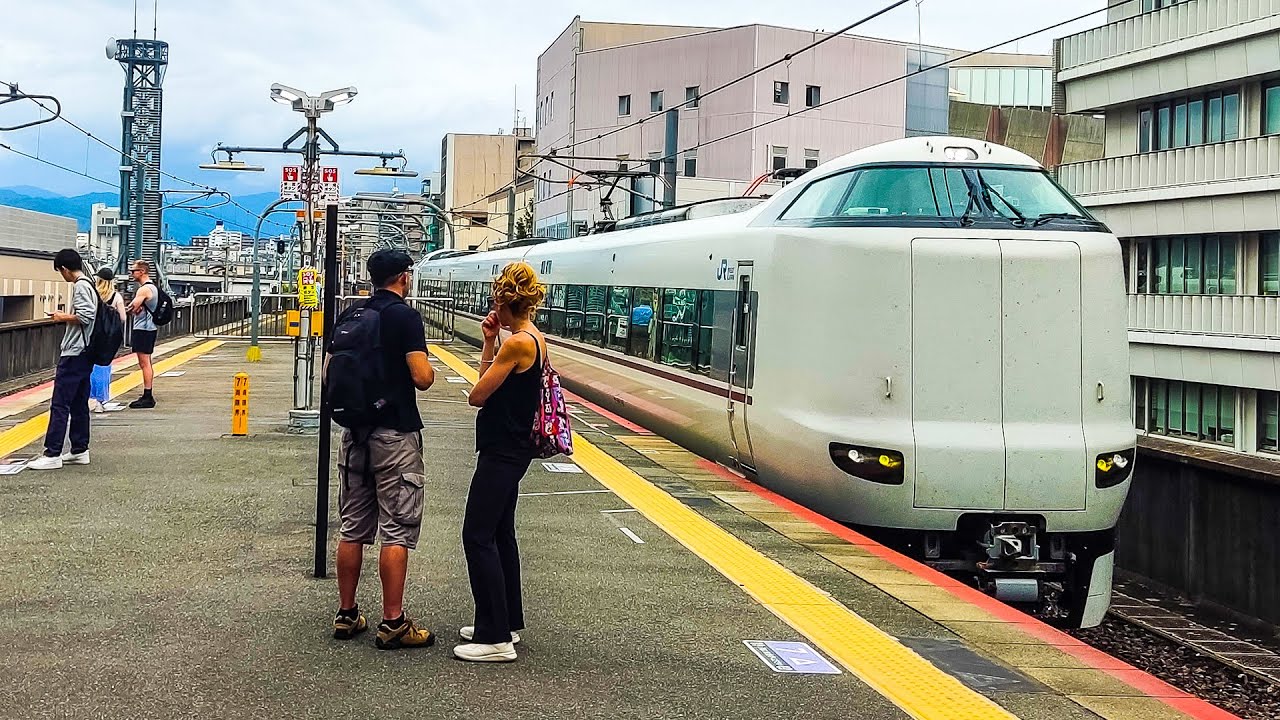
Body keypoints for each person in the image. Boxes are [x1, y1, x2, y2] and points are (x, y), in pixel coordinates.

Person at [329, 249, 437, 649]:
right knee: (396, 528)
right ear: (404, 277)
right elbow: (422, 377)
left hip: (354, 434)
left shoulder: (349, 314)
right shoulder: (404, 317)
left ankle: (346, 613)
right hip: (395, 435)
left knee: (353, 527)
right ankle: (393, 622)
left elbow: (328, 374)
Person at [456, 262, 547, 663]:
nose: (494, 309)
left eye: (496, 302)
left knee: (477, 535)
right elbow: (488, 385)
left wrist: (494, 344)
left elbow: (478, 395)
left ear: (506, 302)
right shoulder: (534, 337)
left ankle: (495, 638)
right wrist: (489, 340)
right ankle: (504, 621)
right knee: (500, 532)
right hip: (515, 446)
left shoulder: (518, 344)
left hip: (503, 450)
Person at [29, 250, 97, 470]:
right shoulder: (90, 284)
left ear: (65, 269)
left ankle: (53, 453)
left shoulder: (80, 286)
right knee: (78, 403)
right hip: (85, 353)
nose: (62, 275)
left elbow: (86, 316)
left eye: (60, 271)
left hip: (74, 353)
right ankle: (79, 449)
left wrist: (61, 317)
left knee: (60, 404)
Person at [89, 267, 127, 413]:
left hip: (92, 335)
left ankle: (87, 397)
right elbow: (123, 317)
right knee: (104, 367)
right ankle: (100, 401)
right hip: (109, 338)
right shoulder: (116, 297)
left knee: (90, 367)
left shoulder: (93, 295)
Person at [127, 260, 159, 409]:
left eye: (133, 271)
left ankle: (148, 395)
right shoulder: (153, 287)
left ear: (142, 271)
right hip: (149, 328)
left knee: (144, 363)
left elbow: (131, 308)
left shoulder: (144, 289)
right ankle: (147, 394)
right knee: (146, 362)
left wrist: (132, 308)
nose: (131, 273)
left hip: (143, 329)